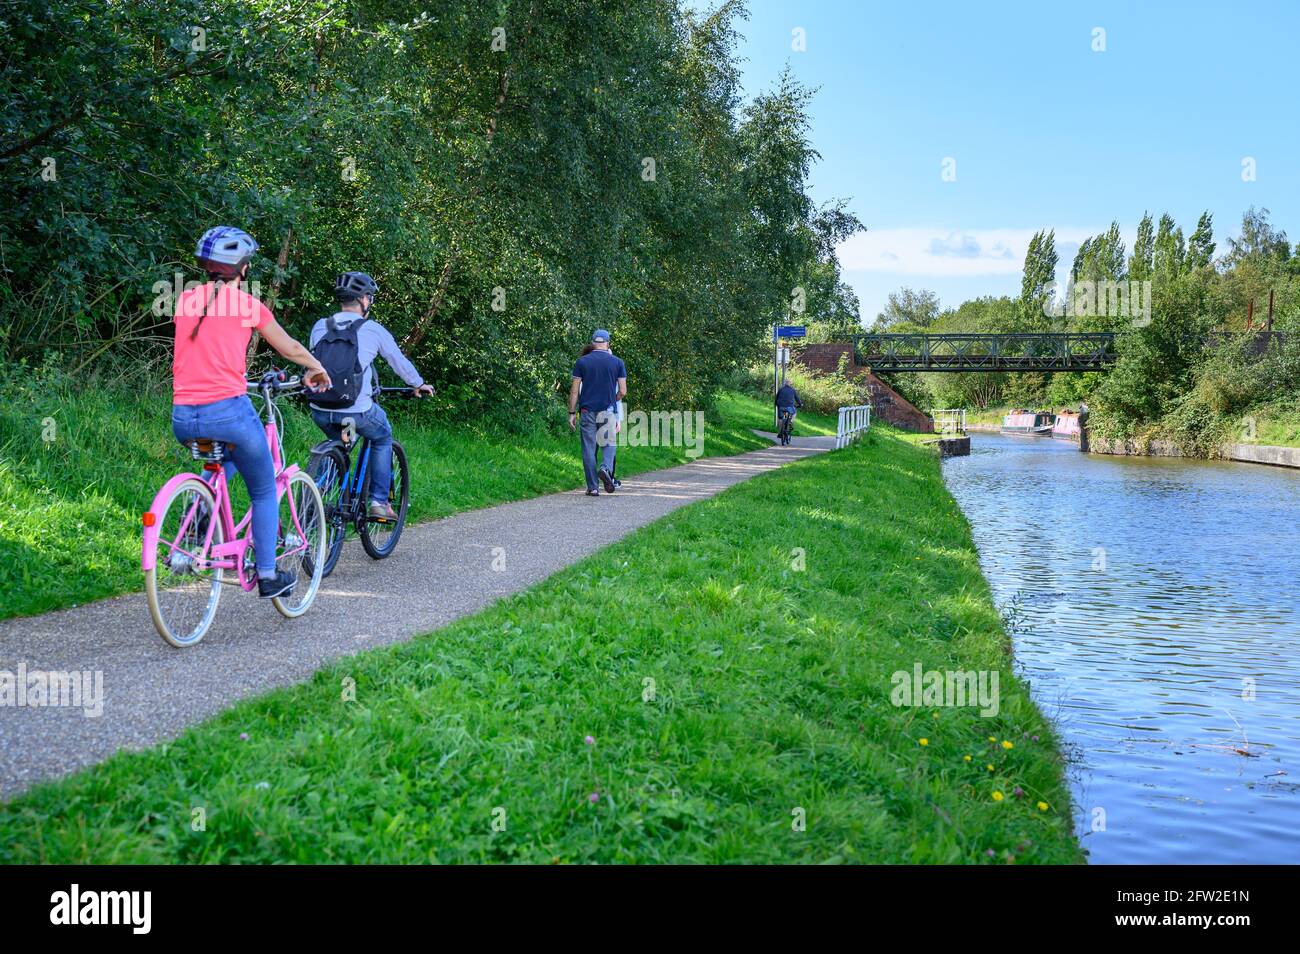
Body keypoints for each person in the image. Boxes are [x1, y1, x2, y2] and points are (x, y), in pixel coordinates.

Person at [171, 226, 331, 599]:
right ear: (241, 268)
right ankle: (268, 573)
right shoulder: (247, 305)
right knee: (262, 488)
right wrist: (317, 368)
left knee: (222, 457)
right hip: (228, 411)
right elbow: (289, 347)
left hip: (182, 416)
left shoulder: (185, 301)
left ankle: (199, 517)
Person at [307, 271, 433, 522]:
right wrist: (418, 384)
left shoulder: (320, 325)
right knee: (382, 434)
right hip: (356, 410)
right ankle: (378, 501)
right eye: (370, 298)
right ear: (364, 299)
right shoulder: (372, 329)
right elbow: (398, 361)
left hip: (319, 407)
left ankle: (315, 493)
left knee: (342, 442)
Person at [569, 329, 626, 495]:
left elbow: (574, 391)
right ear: (607, 343)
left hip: (587, 411)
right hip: (608, 410)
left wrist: (572, 412)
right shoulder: (617, 362)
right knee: (608, 444)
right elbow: (622, 391)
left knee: (588, 448)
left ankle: (593, 487)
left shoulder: (582, 362)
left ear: (593, 343)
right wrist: (612, 400)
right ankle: (605, 468)